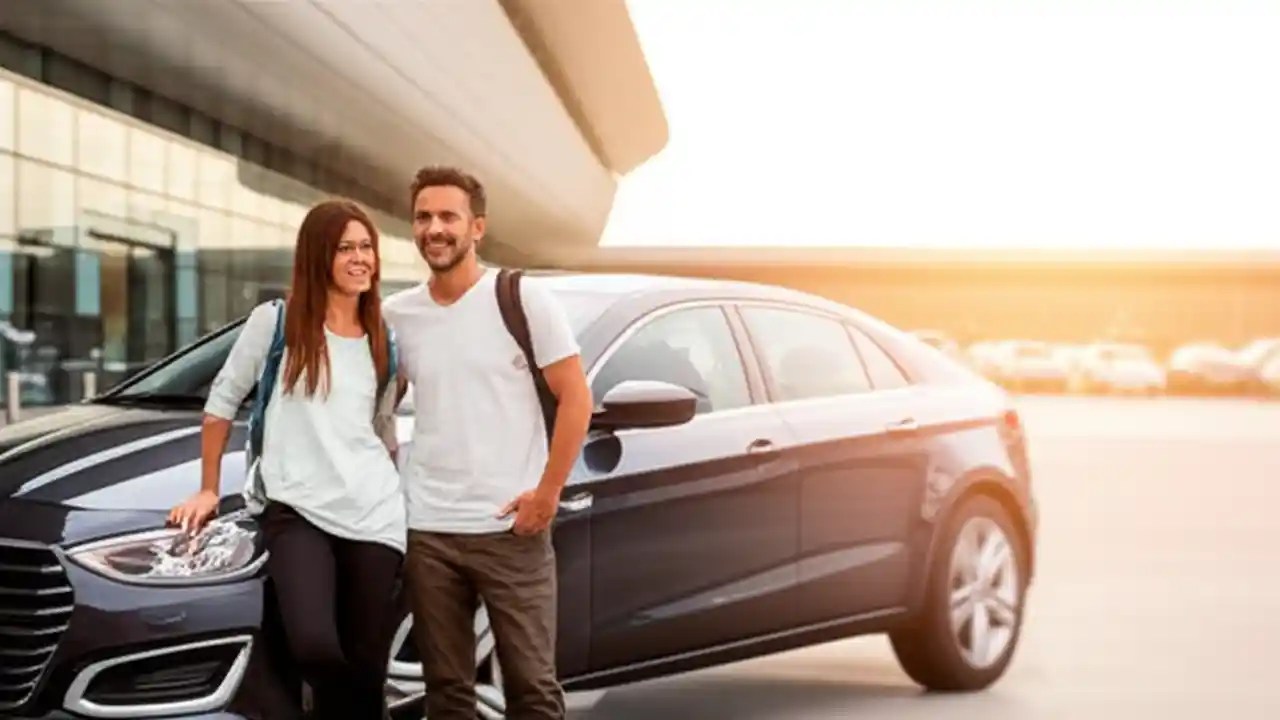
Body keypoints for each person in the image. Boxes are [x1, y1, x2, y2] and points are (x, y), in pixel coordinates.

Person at [168, 198, 406, 720]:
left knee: (367, 663)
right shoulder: (275, 324)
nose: (361, 258)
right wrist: (209, 487)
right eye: (346, 248)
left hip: (374, 513)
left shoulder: (383, 338)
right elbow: (222, 402)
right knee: (315, 646)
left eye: (367, 247)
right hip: (295, 509)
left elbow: (381, 428)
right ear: (318, 255)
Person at [383, 166, 594, 720]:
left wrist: (547, 494)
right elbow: (368, 410)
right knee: (447, 694)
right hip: (429, 530)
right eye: (424, 217)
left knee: (531, 689)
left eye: (448, 216)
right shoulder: (397, 316)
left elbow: (577, 398)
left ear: (477, 227)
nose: (435, 228)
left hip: (509, 528)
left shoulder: (522, 298)